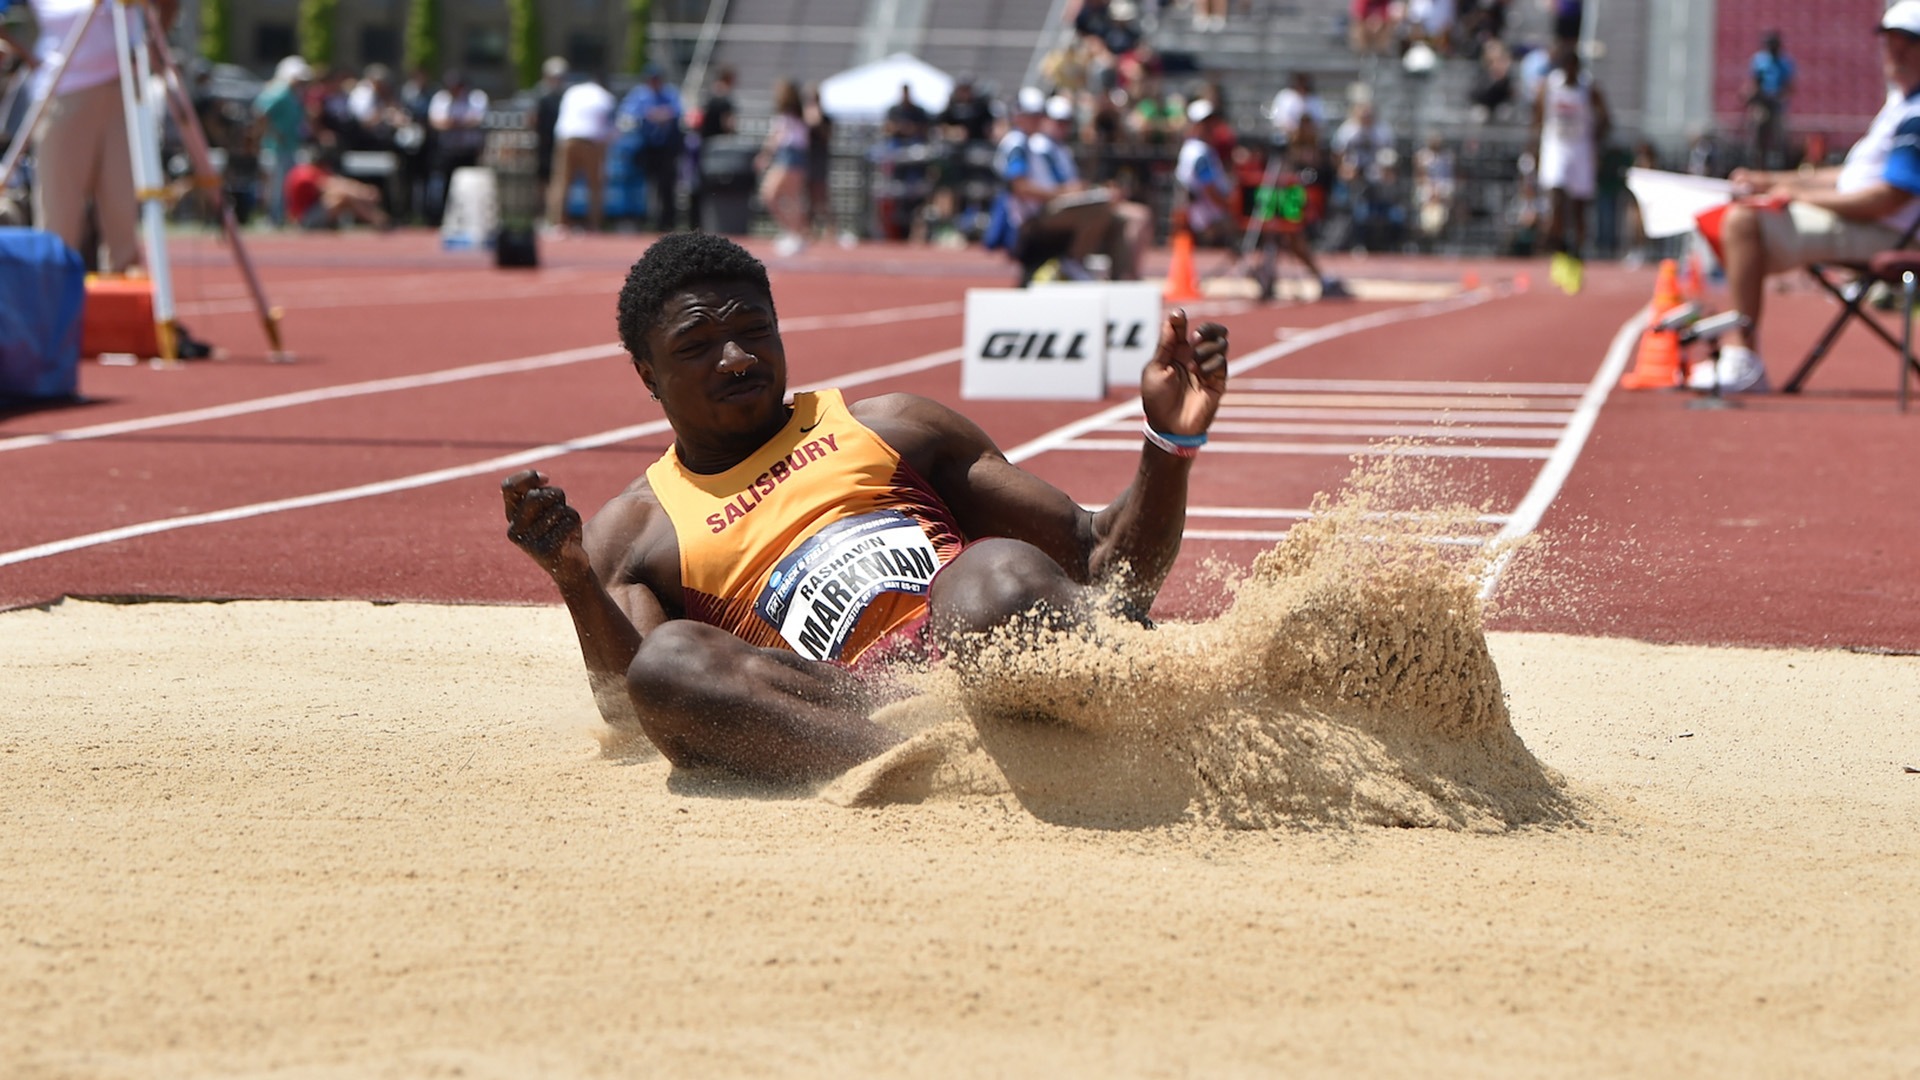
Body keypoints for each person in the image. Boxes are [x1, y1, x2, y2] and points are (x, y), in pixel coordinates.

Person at [500, 231, 1228, 783]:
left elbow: (1101, 562)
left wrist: (1167, 442)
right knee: (667, 666)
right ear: (647, 374)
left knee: (995, 574)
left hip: (984, 642)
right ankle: (931, 768)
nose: (736, 359)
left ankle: (1131, 716)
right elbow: (633, 713)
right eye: (698, 346)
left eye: (753, 331)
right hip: (847, 707)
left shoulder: (891, 425)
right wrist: (573, 582)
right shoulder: (635, 529)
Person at [1707, 2, 1920, 395]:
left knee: (1742, 221)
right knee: (1744, 212)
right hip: (1867, 222)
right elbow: (1852, 178)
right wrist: (1772, 181)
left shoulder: (1916, 113)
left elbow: (1885, 199)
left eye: (1908, 43)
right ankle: (1737, 342)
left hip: (1887, 232)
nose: (1894, 51)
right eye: (1890, 41)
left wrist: (1796, 194)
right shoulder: (1901, 104)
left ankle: (1744, 355)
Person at [3, 0, 177, 269]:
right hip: (63, 93)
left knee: (121, 209)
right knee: (59, 212)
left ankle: (121, 293)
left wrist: (150, 42)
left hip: (124, 92)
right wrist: (29, 57)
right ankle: (55, 292)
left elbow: (168, 3)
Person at [993, 88, 1139, 284]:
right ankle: (1073, 262)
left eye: (1039, 114)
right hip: (1031, 215)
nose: (1037, 119)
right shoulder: (1017, 143)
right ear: (1018, 116)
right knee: (1098, 208)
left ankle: (1115, 274)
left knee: (1108, 209)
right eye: (1032, 115)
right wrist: (1061, 193)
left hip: (1044, 207)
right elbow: (1021, 187)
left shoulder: (1029, 142)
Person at [1531, 40, 1607, 294]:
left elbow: (1605, 118)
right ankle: (1560, 252)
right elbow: (1537, 118)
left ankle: (1576, 257)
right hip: (1556, 146)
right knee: (1556, 198)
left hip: (1580, 148)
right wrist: (1532, 151)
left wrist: (1596, 144)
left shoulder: (1588, 88)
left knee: (1579, 208)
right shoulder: (1550, 87)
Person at [545, 69, 615, 234]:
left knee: (561, 182)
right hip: (590, 142)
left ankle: (558, 223)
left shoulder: (572, 91)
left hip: (566, 139)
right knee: (596, 185)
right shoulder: (605, 96)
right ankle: (594, 224)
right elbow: (610, 127)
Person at [618, 65, 684, 233]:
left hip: (666, 147)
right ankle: (641, 219)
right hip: (645, 147)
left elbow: (679, 111)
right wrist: (649, 114)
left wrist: (664, 114)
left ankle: (666, 222)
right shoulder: (639, 94)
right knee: (643, 185)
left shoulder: (670, 93)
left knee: (666, 185)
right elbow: (628, 114)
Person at [426, 70, 488, 227]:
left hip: (468, 150)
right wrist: (458, 123)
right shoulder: (441, 98)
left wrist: (454, 123)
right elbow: (436, 122)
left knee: (469, 186)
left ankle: (469, 220)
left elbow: (476, 120)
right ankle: (441, 219)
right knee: (444, 184)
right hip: (447, 150)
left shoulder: (476, 98)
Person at [756, 78, 809, 256]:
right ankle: (796, 234)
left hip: (789, 154)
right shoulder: (795, 115)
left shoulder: (790, 115)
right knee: (789, 198)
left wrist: (765, 155)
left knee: (770, 194)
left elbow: (777, 138)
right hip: (793, 155)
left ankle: (794, 234)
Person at [284, 149, 391, 230]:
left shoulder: (307, 171)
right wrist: (363, 193)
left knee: (344, 196)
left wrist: (362, 190)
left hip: (308, 213)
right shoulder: (307, 175)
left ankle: (376, 219)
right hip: (303, 220)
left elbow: (339, 182)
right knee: (344, 197)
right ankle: (377, 220)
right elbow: (333, 185)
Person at [687, 66, 735, 232]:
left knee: (698, 185)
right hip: (718, 150)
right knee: (717, 185)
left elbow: (695, 121)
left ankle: (695, 223)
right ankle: (714, 223)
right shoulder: (726, 100)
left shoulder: (706, 98)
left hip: (703, 146)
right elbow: (728, 124)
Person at [1745, 31, 1795, 172]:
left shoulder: (1785, 63)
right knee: (1758, 133)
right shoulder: (1759, 60)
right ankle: (1758, 166)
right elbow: (1754, 82)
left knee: (1779, 137)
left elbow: (1789, 86)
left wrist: (1777, 96)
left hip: (1777, 104)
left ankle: (1782, 168)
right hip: (1762, 104)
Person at [532, 56, 570, 199]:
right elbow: (533, 118)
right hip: (544, 142)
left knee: (559, 176)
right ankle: (541, 212)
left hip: (560, 142)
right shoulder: (540, 95)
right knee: (542, 178)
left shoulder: (566, 96)